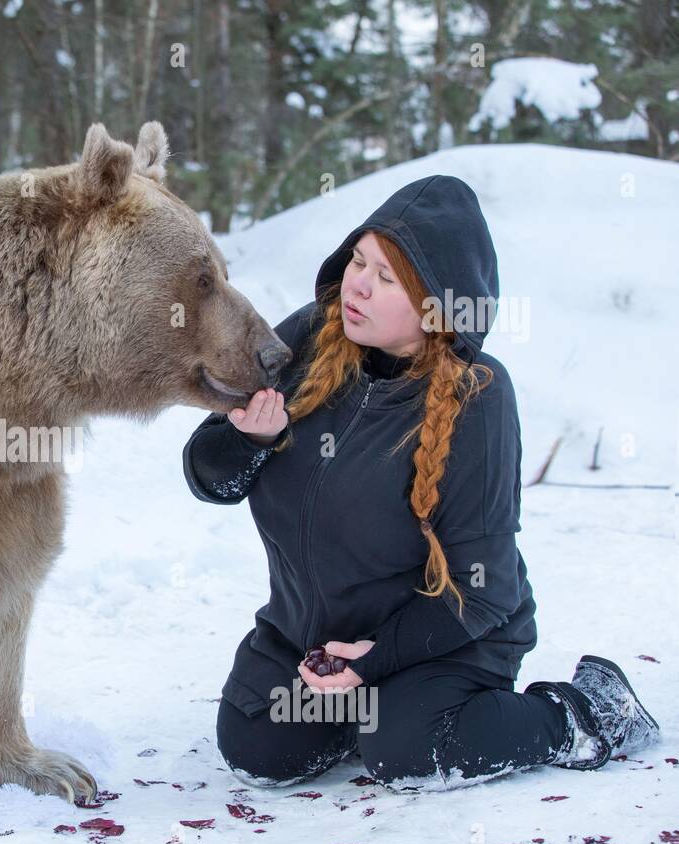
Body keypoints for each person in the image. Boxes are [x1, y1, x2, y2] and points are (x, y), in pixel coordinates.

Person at [182, 174, 660, 791]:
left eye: (386, 278)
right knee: (259, 747)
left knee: (407, 751)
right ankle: (365, 713)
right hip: (311, 636)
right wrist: (248, 439)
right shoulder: (310, 338)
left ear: (437, 304)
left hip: (446, 637)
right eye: (359, 260)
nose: (357, 284)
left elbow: (483, 591)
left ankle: (583, 714)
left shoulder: (477, 397)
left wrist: (377, 660)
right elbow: (208, 479)